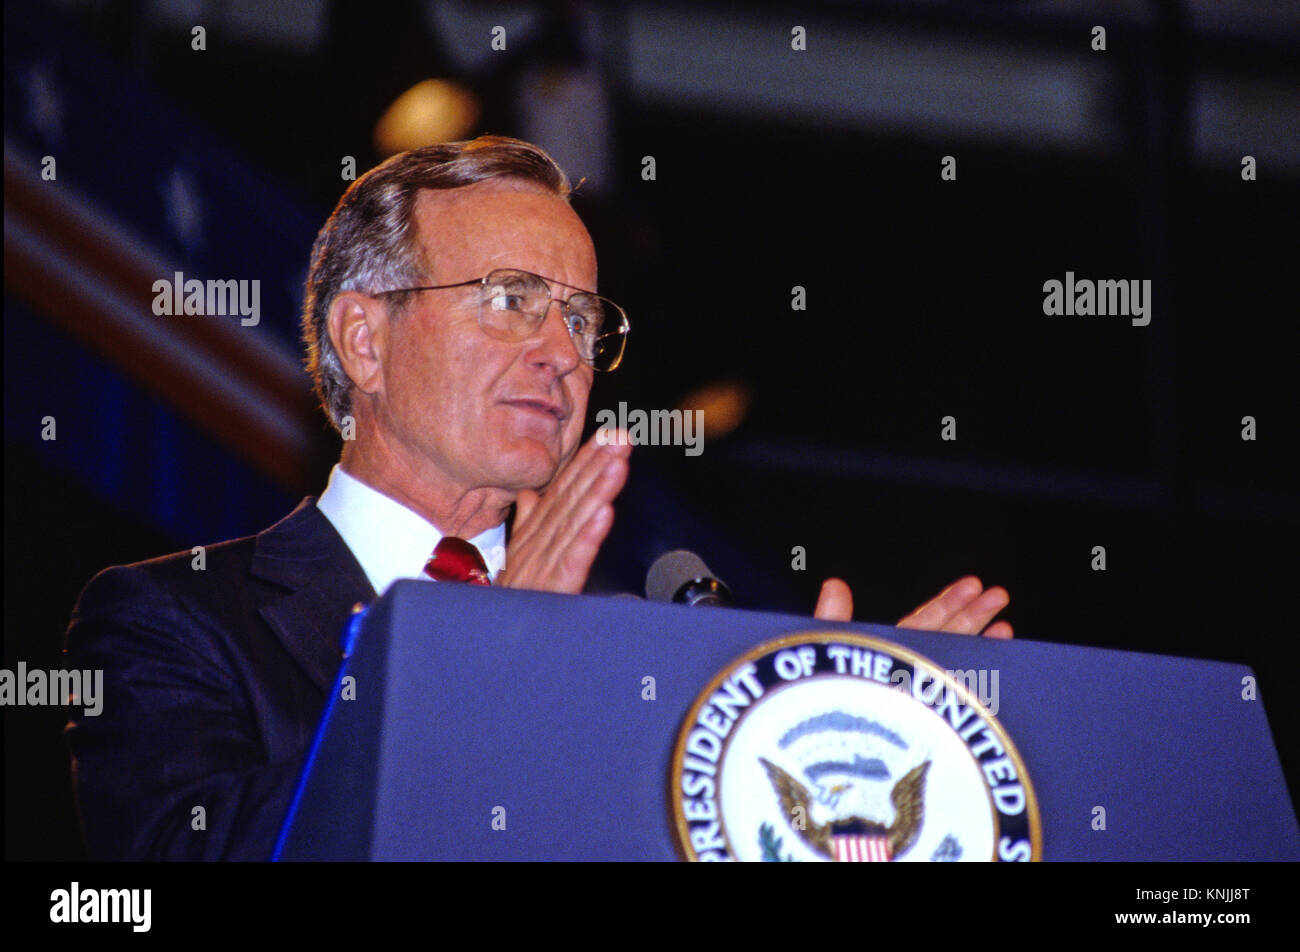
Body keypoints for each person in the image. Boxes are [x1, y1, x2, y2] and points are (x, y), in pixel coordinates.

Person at [63, 135, 1011, 861]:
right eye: (511, 298)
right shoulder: (172, 621)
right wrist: (490, 661)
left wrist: (859, 775)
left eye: (583, 319)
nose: (562, 353)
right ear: (364, 339)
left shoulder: (648, 654)